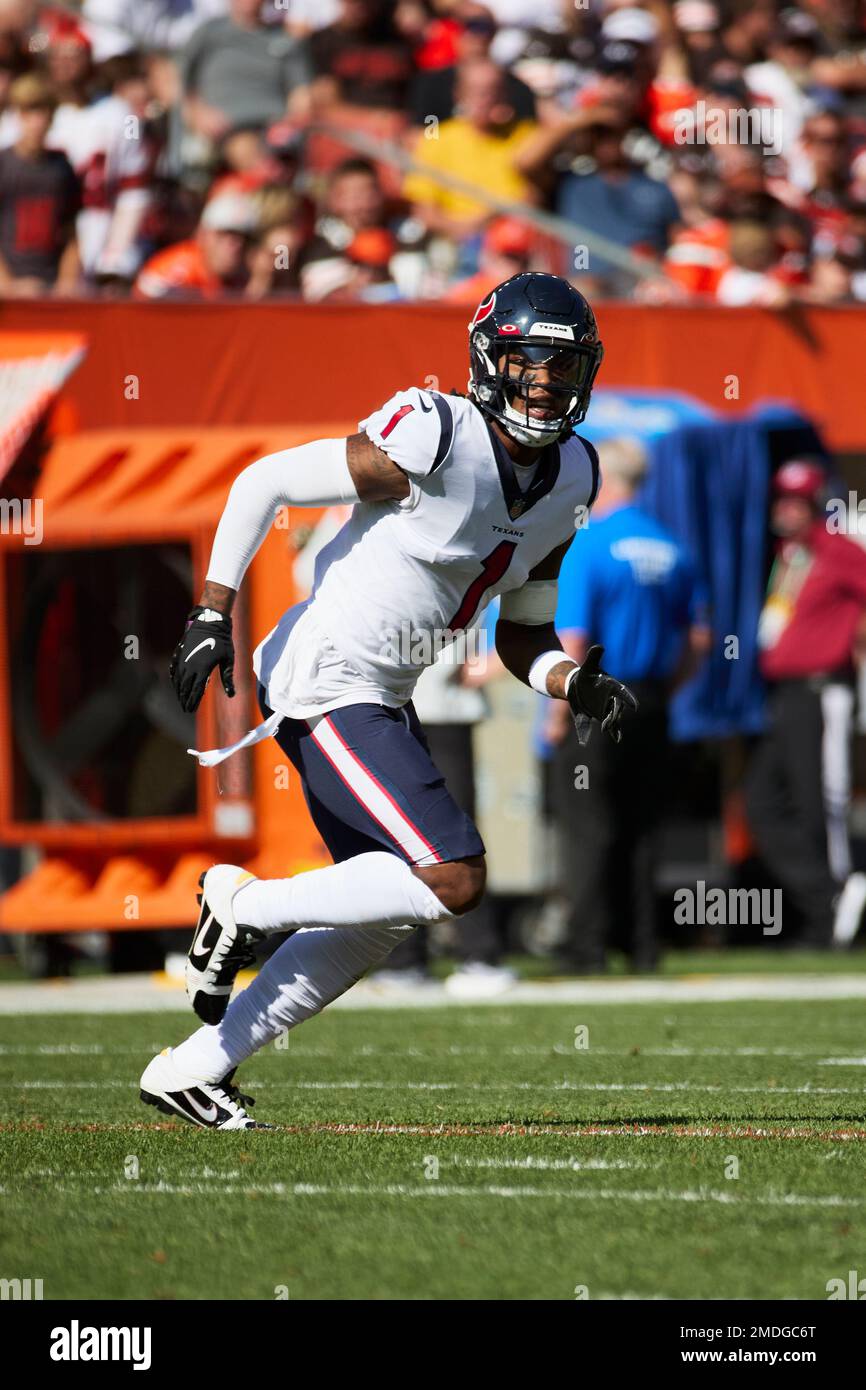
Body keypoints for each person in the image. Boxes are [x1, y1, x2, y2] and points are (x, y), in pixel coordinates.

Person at [139, 271, 637, 1128]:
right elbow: (264, 481)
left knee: (380, 915)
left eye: (563, 368)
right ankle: (240, 905)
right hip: (327, 674)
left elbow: (522, 630)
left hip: (385, 691)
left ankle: (191, 1068)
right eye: (529, 364)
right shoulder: (436, 433)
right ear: (489, 361)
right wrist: (210, 610)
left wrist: (573, 680)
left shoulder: (572, 478)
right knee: (452, 877)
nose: (546, 384)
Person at [547, 437, 710, 972]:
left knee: (587, 823)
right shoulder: (672, 545)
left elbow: (574, 637)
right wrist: (666, 690)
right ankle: (642, 943)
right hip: (652, 699)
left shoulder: (589, 544)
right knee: (642, 824)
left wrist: (557, 711)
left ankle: (586, 947)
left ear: (606, 482)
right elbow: (699, 640)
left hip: (594, 696)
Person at [746, 459, 866, 948]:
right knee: (761, 802)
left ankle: (835, 898)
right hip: (783, 695)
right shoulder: (782, 553)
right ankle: (823, 896)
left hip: (822, 691)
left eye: (797, 501)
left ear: (815, 504)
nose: (786, 509)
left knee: (822, 800)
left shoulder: (837, 550)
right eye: (782, 499)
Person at [0, 72, 81, 296]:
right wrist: (8, 286)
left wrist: (66, 284)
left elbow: (71, 234)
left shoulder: (62, 168)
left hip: (50, 288)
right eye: (29, 113)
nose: (38, 122)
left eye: (44, 113)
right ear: (17, 116)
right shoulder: (4, 164)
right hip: (8, 290)